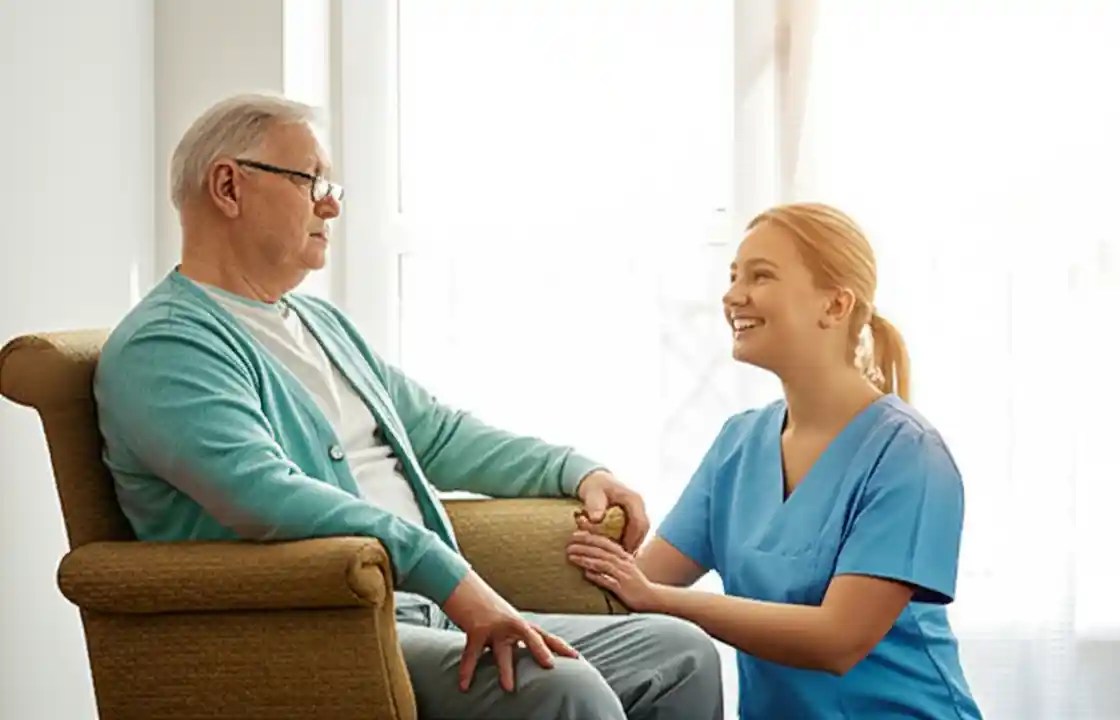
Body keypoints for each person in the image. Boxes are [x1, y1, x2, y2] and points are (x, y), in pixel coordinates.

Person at [93, 92, 722, 720]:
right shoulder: (169, 345)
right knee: (564, 689)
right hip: (321, 630)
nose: (332, 204)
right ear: (229, 187)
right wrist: (452, 579)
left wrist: (574, 470)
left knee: (678, 654)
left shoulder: (317, 322)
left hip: (422, 613)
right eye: (311, 180)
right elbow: (264, 495)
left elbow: (435, 434)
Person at [567, 202, 983, 719]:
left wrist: (658, 599)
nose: (732, 295)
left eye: (760, 276)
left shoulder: (909, 455)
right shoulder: (738, 445)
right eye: (734, 275)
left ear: (834, 306)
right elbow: (633, 587)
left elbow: (838, 640)